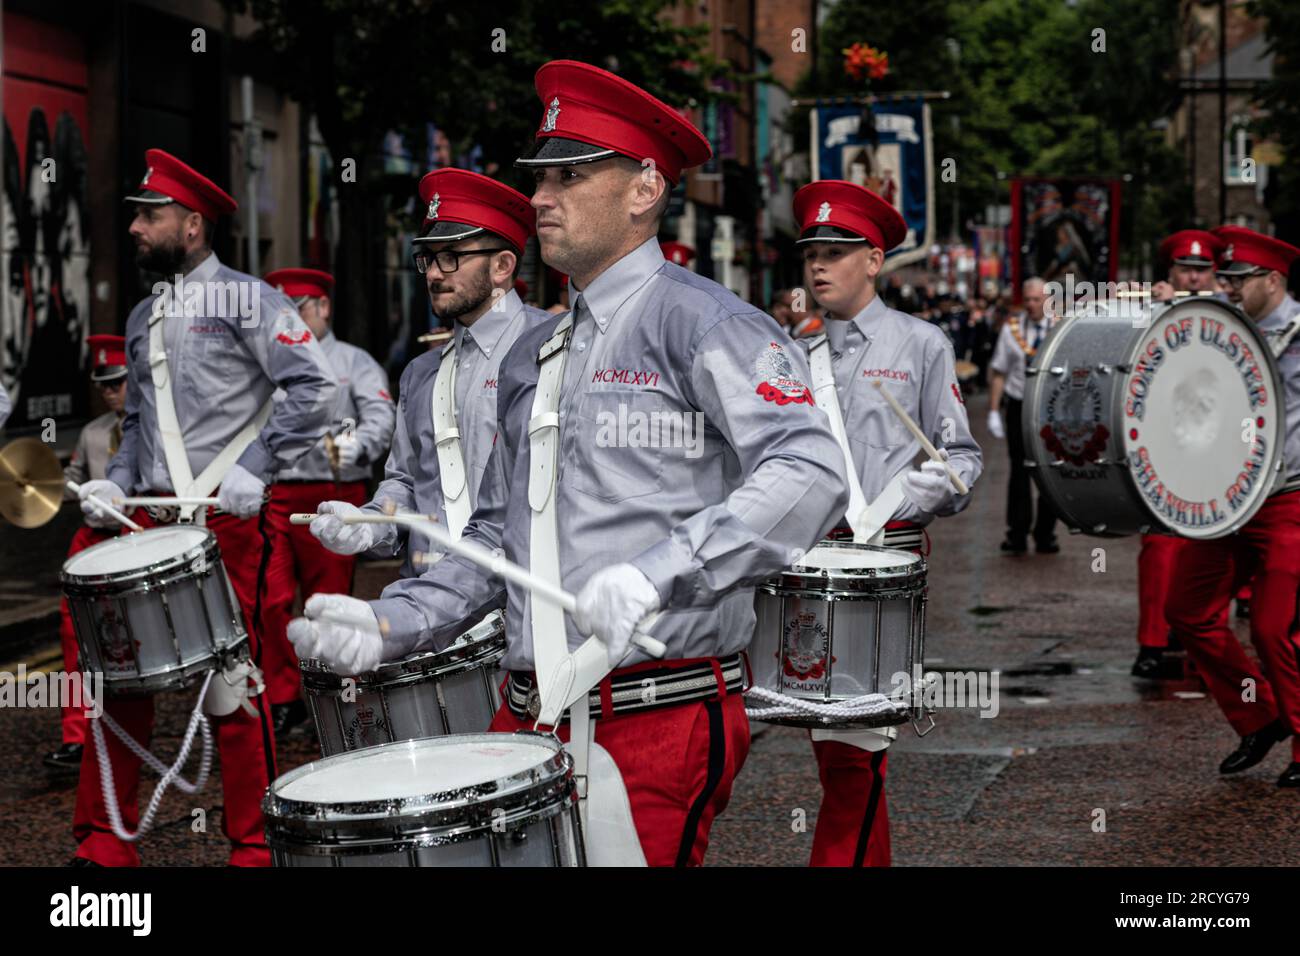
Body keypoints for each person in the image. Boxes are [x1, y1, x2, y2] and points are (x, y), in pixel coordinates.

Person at [290, 59, 849, 866]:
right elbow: (494, 535)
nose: (540, 198)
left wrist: (660, 571)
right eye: (539, 178)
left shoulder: (706, 323)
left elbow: (809, 468)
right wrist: (391, 624)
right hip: (531, 707)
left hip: (655, 709)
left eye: (568, 176)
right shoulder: (536, 352)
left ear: (643, 189)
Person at [71, 149, 337, 866]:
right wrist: (115, 482)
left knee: (237, 688)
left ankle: (254, 845)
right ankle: (104, 842)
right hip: (151, 520)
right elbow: (141, 430)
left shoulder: (252, 300)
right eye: (134, 214)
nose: (133, 227)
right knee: (120, 680)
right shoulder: (140, 314)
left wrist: (258, 465)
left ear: (191, 225)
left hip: (227, 521)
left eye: (148, 216)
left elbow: (316, 389)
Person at [793, 179, 982, 866]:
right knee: (837, 759)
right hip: (807, 574)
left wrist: (892, 501)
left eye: (837, 251)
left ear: (874, 260)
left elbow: (959, 457)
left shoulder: (920, 344)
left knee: (853, 760)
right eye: (812, 250)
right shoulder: (791, 353)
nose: (819, 264)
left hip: (881, 570)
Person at [308, 168, 544, 582]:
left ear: (503, 266)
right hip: (427, 600)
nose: (434, 274)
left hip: (519, 600)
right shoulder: (420, 373)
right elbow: (405, 483)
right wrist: (368, 525)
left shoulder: (551, 347)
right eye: (429, 258)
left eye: (451, 256)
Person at [1165, 226, 1300, 787]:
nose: (1228, 289)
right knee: (1187, 612)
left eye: (1239, 280)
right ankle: (1261, 715)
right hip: (1230, 500)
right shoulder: (1224, 327)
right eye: (1226, 279)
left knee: (1273, 628)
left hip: (1291, 497)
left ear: (1273, 280)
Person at [259, 268, 395, 736]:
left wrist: (358, 445)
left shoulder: (353, 361)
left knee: (328, 602)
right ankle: (281, 697)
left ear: (322, 308)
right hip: (275, 493)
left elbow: (379, 414)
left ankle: (335, 692)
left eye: (298, 309)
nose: (291, 321)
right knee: (270, 599)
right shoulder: (269, 362)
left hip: (332, 494)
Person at [1132, 230, 1224, 679]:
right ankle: (1151, 643)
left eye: (1201, 270)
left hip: (1219, 446)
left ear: (1215, 274)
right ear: (1169, 273)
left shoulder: (1230, 313)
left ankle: (1203, 646)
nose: (1192, 278)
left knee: (1214, 548)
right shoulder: (1152, 310)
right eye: (1185, 270)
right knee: (1160, 546)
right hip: (1165, 444)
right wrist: (1159, 307)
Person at [44, 335, 129, 771]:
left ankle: (128, 732)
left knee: (134, 642)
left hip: (136, 539)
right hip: (92, 540)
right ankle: (77, 737)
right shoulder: (94, 433)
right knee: (74, 638)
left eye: (118, 382)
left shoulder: (156, 429)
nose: (110, 392)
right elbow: (72, 479)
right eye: (104, 386)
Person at [987, 277, 1058, 554]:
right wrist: (994, 410)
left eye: (1036, 300)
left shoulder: (1060, 327)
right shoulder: (1011, 329)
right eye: (1027, 299)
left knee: (1050, 470)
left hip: (1051, 410)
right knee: (1019, 469)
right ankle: (1016, 533)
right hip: (1019, 405)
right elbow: (999, 372)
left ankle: (1045, 534)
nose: (1030, 305)